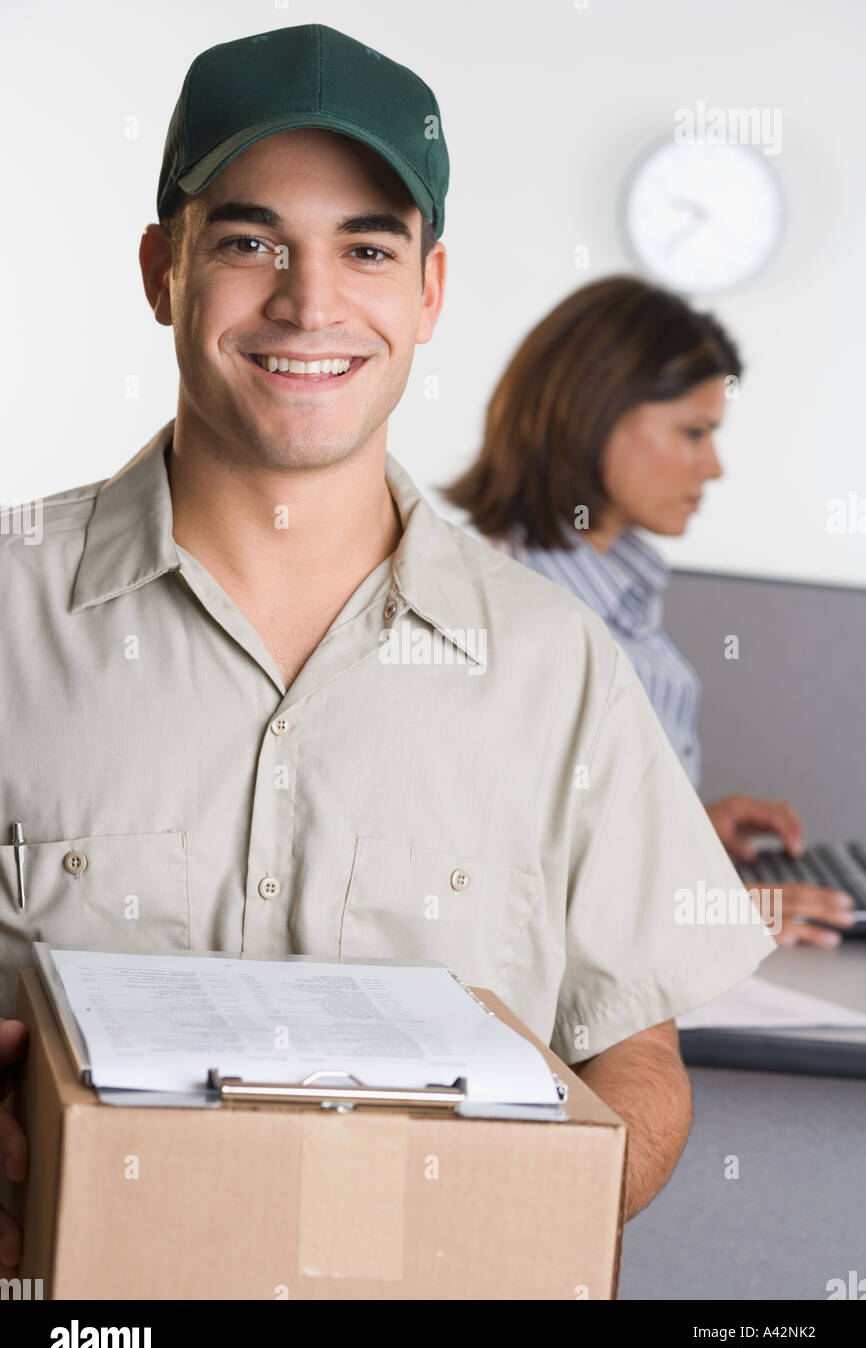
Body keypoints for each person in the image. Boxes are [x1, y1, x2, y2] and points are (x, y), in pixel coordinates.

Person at [0, 27, 776, 1275]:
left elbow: (635, 1062)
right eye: (250, 242)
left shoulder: (556, 668)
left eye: (365, 247)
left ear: (427, 292)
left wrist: (502, 1219)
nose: (309, 303)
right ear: (162, 270)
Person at [443, 275, 854, 949]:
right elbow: (501, 876)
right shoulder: (514, 609)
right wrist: (705, 909)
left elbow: (576, 824)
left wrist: (686, 826)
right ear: (594, 415)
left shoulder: (617, 584)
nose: (715, 468)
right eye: (694, 433)